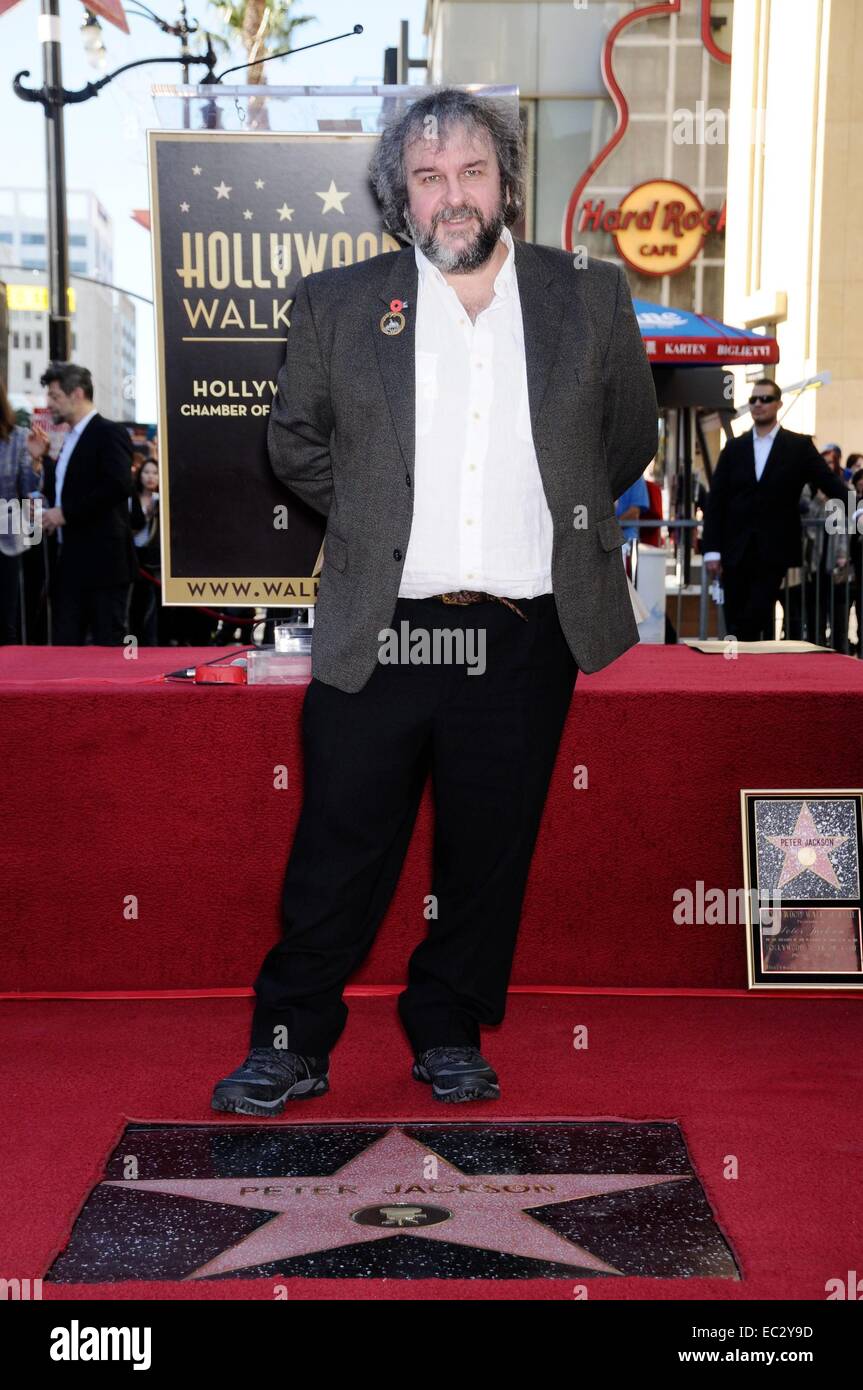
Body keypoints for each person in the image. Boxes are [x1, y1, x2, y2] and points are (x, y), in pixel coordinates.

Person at [211, 86, 658, 1116]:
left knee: (487, 853)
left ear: (502, 181)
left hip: (523, 627)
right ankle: (290, 1041)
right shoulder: (335, 303)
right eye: (427, 178)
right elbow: (294, 441)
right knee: (338, 846)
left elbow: (621, 439)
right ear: (397, 198)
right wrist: (373, 522)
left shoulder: (584, 296)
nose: (450, 197)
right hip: (387, 624)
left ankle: (449, 1024)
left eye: (469, 173)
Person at [702, 380, 851, 641]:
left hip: (775, 550)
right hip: (734, 549)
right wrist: (712, 550)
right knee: (736, 615)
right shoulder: (734, 448)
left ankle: (743, 664)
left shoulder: (798, 446)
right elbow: (716, 501)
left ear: (778, 404)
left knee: (754, 616)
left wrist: (857, 509)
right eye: (753, 399)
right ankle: (740, 673)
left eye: (765, 399)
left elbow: (830, 484)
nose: (758, 404)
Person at [31, 363, 137, 646]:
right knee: (66, 651)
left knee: (107, 650)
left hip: (104, 565)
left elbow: (117, 485)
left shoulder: (108, 432)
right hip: (70, 563)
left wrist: (64, 514)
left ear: (76, 394)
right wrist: (42, 462)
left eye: (55, 396)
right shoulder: (70, 439)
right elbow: (69, 488)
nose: (49, 403)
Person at [0, 378, 45, 643]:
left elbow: (29, 487)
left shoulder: (17, 437)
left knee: (6, 620)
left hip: (6, 540)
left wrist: (36, 459)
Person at [128, 457, 161, 645]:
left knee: (152, 604)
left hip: (153, 560)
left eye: (155, 473)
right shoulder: (131, 499)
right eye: (147, 472)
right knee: (135, 604)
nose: (151, 477)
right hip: (134, 556)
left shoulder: (160, 500)